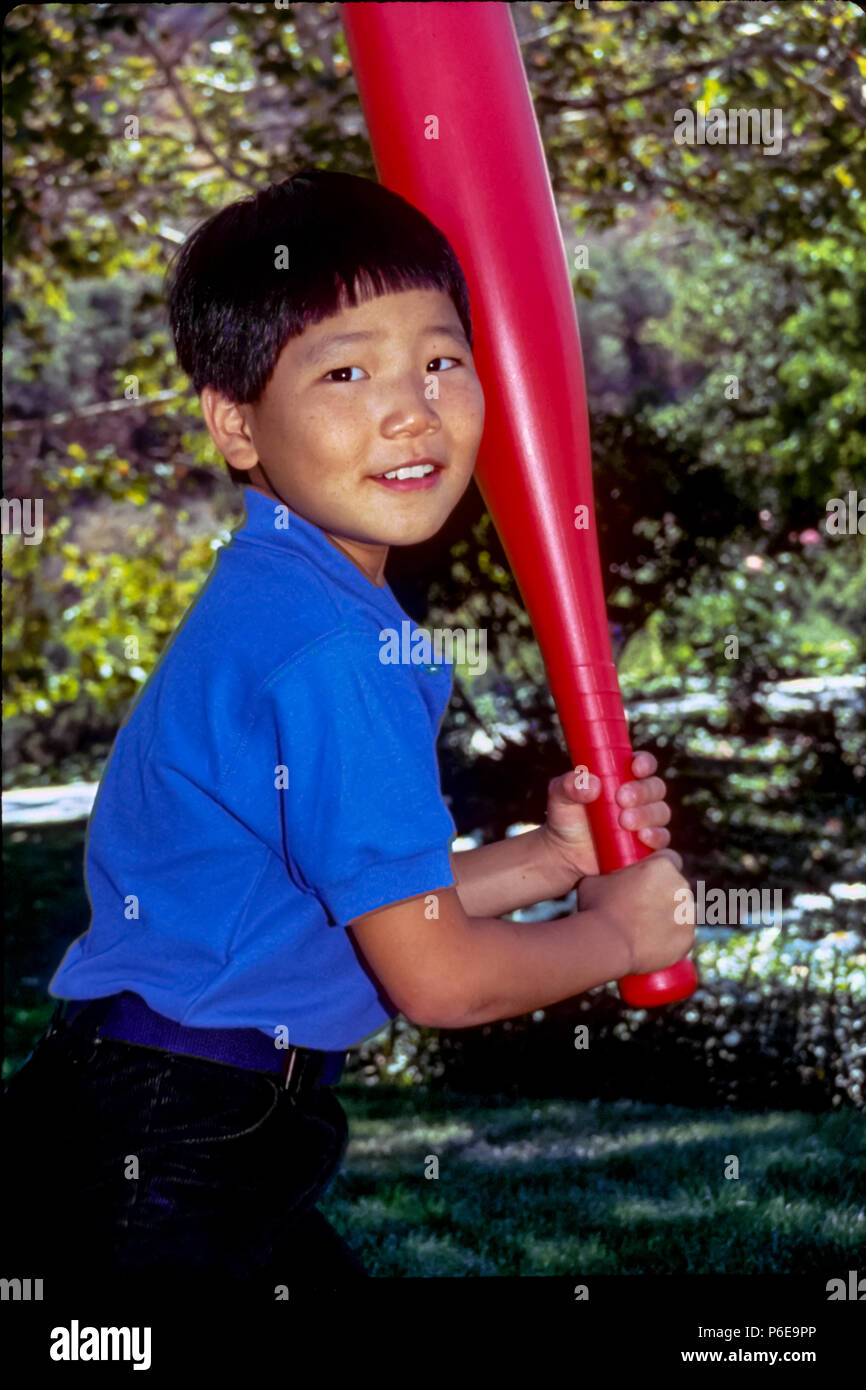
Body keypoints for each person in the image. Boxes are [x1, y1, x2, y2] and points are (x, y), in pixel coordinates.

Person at [2, 169, 694, 1299]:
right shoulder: (329, 647)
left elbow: (348, 892)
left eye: (439, 359)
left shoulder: (296, 596)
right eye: (344, 370)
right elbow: (435, 978)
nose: (410, 408)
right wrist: (615, 937)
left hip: (164, 1112)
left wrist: (552, 861)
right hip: (173, 1146)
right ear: (237, 424)